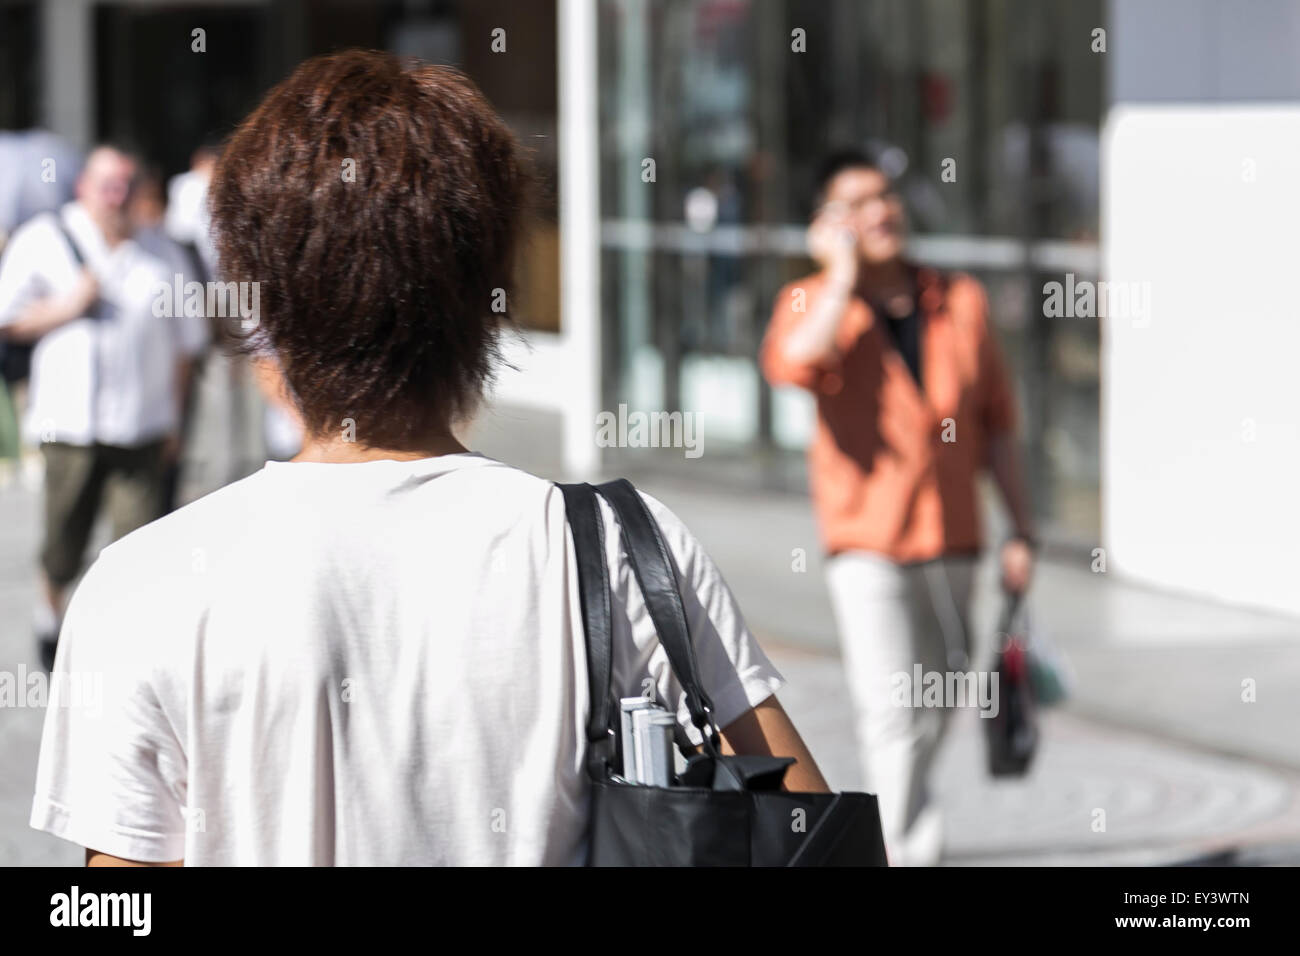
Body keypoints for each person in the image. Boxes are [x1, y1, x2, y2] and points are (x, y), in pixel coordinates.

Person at [29, 50, 828, 867]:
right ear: (491, 297)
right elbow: (807, 834)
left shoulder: (141, 585)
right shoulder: (622, 548)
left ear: (260, 300)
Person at [760, 148, 1036, 866]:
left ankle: (907, 825)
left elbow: (997, 422)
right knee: (891, 709)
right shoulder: (812, 301)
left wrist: (1021, 528)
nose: (880, 211)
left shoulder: (961, 300)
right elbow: (794, 363)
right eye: (856, 203)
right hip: (867, 545)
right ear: (829, 223)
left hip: (954, 537)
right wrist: (841, 277)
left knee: (941, 700)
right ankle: (909, 853)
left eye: (885, 196)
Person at [0, 144, 203, 672]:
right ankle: (51, 616)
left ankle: (125, 653)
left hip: (142, 425)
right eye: (106, 185)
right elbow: (7, 318)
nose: (117, 197)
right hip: (70, 424)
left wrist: (178, 422)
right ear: (82, 188)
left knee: (137, 547)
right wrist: (67, 307)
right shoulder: (45, 240)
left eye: (126, 186)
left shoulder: (164, 254)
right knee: (63, 541)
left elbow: (188, 348)